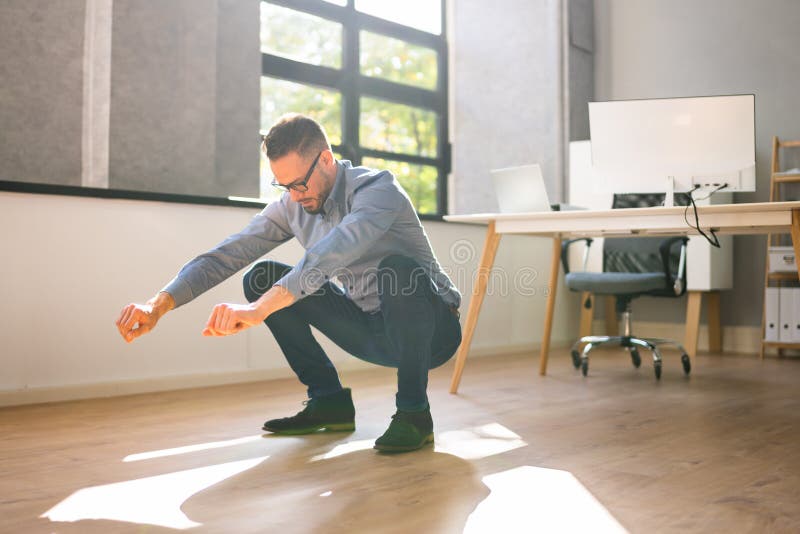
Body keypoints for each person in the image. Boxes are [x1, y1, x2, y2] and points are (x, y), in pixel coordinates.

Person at [115, 113, 462, 452]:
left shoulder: (377, 189)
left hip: (432, 333)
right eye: (284, 186)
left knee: (397, 269)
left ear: (326, 159)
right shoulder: (293, 203)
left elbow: (331, 253)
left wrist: (258, 310)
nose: (294, 196)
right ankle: (328, 402)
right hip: (372, 331)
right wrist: (158, 305)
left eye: (299, 184)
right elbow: (228, 254)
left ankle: (414, 413)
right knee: (262, 276)